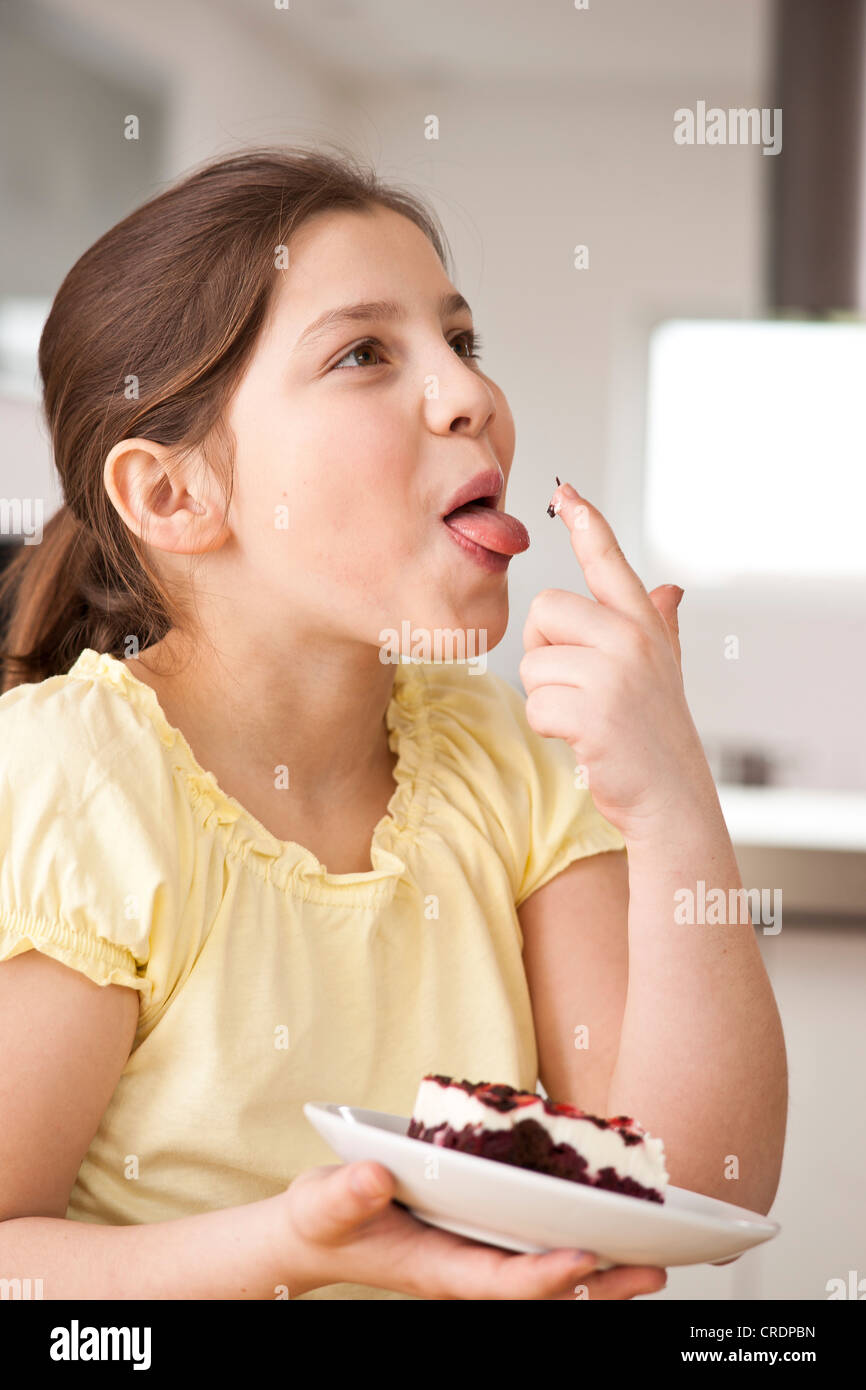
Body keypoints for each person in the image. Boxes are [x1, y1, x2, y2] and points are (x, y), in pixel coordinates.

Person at [0, 145, 785, 1300]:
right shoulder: (81, 784)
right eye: (364, 353)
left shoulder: (499, 760)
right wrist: (282, 1249)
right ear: (174, 496)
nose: (470, 394)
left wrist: (672, 802)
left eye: (460, 342)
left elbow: (685, 1180)